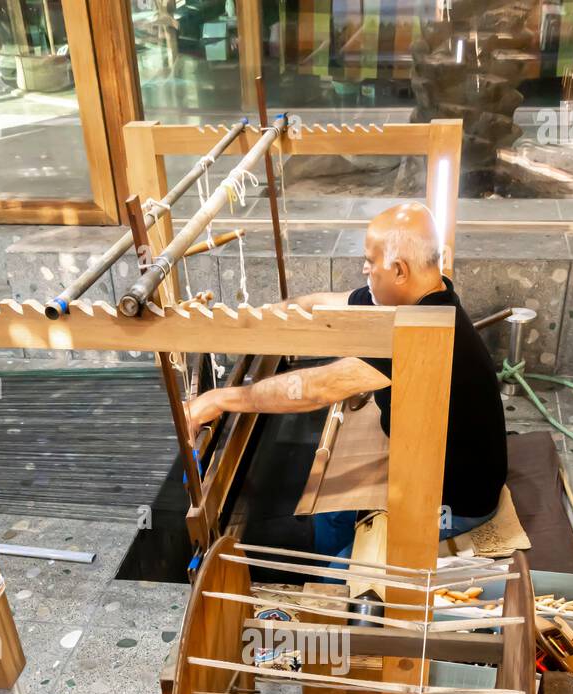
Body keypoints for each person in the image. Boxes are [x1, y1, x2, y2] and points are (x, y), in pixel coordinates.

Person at [185, 202, 507, 560]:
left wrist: (219, 400)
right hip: (422, 462)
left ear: (399, 270)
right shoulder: (419, 293)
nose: (364, 268)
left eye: (370, 260)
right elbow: (321, 305)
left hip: (456, 504)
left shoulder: (424, 330)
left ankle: (331, 578)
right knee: (331, 516)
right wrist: (247, 324)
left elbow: (314, 389)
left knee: (343, 573)